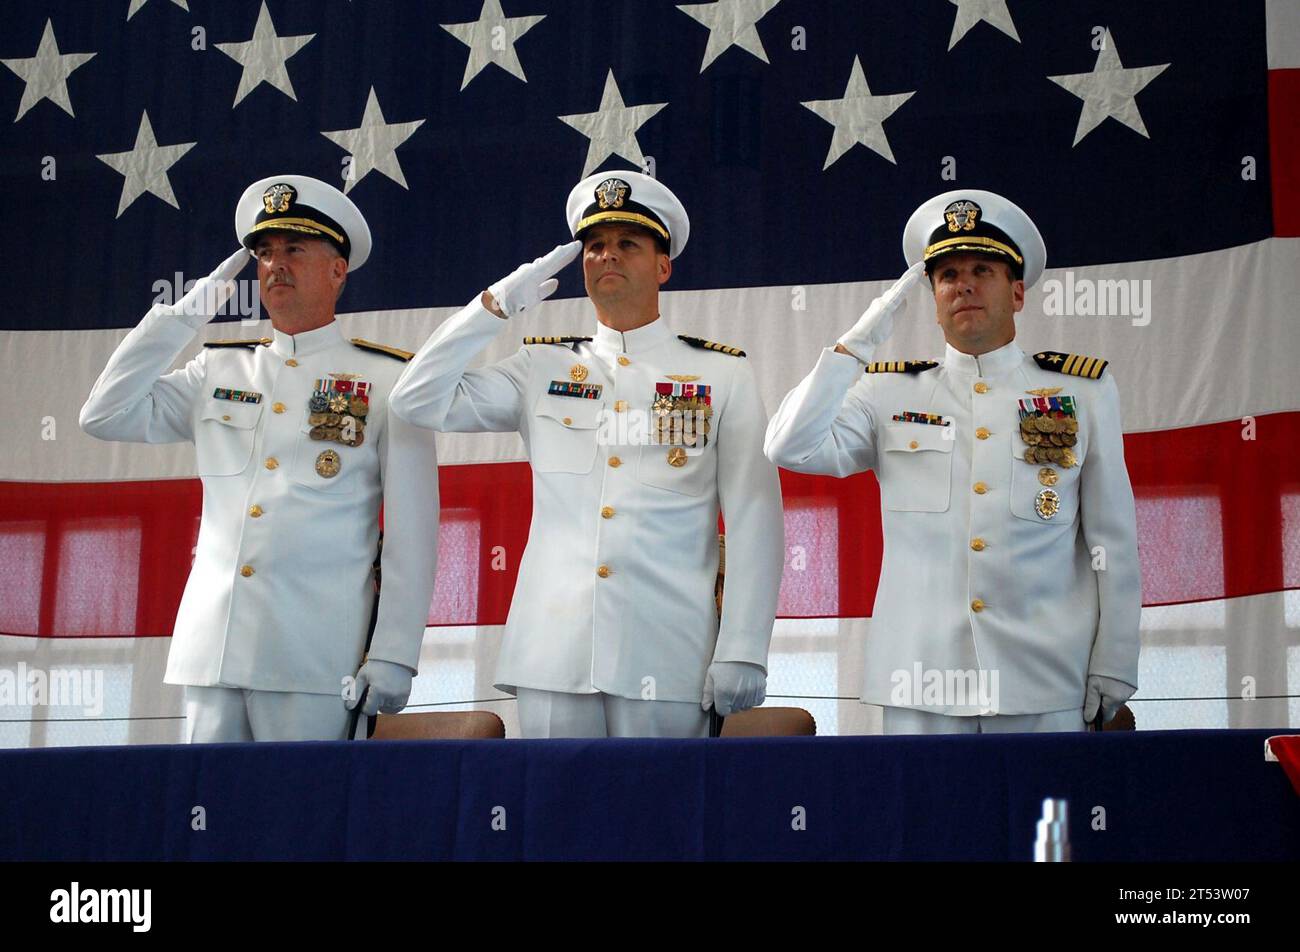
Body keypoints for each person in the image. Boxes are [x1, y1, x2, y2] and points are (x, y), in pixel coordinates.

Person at [390, 171, 784, 738]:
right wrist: (494, 307)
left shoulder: (722, 374)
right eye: (596, 245)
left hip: (669, 651)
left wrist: (744, 647)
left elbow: (754, 518)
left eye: (628, 244)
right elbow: (416, 399)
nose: (608, 255)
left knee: (661, 821)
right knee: (555, 819)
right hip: (554, 651)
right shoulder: (539, 368)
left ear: (663, 266)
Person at [764, 190, 1139, 734]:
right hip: (921, 682)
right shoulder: (886, 391)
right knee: (926, 822)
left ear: (1017, 293)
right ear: (933, 300)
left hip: (1045, 678)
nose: (962, 283)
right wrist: (859, 341)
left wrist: (1115, 661)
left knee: (1049, 823)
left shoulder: (1082, 389)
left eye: (982, 270)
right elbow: (788, 445)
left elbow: (1113, 538)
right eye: (946, 274)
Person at [80, 175, 440, 742]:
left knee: (304, 823)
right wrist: (184, 315)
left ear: (338, 270)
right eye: (265, 253)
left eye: (295, 249)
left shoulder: (390, 380)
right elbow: (103, 414)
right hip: (214, 650)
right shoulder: (218, 371)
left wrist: (394, 653)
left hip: (315, 653)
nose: (276, 265)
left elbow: (413, 533)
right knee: (208, 820)